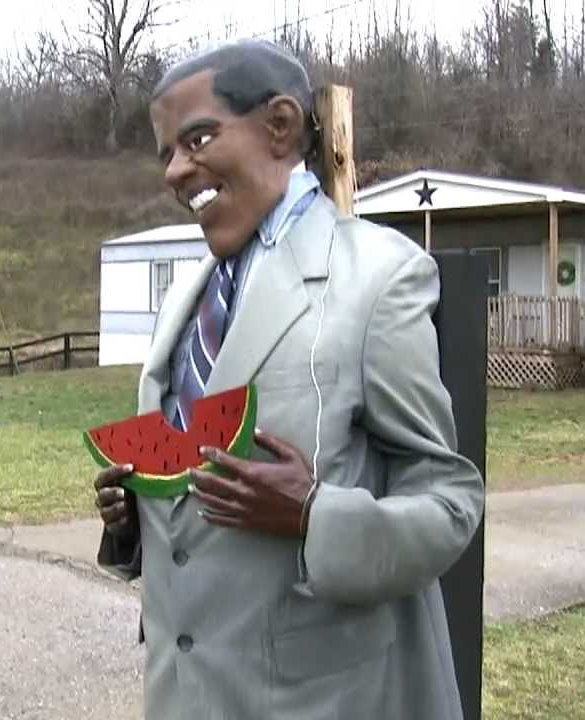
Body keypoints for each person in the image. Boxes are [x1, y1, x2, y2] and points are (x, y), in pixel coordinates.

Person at [92, 39, 484, 720]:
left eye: (199, 138)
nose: (177, 171)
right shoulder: (185, 300)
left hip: (320, 699)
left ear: (279, 126)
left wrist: (314, 515)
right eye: (166, 154)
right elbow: (193, 505)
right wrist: (134, 522)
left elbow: (449, 500)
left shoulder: (379, 277)